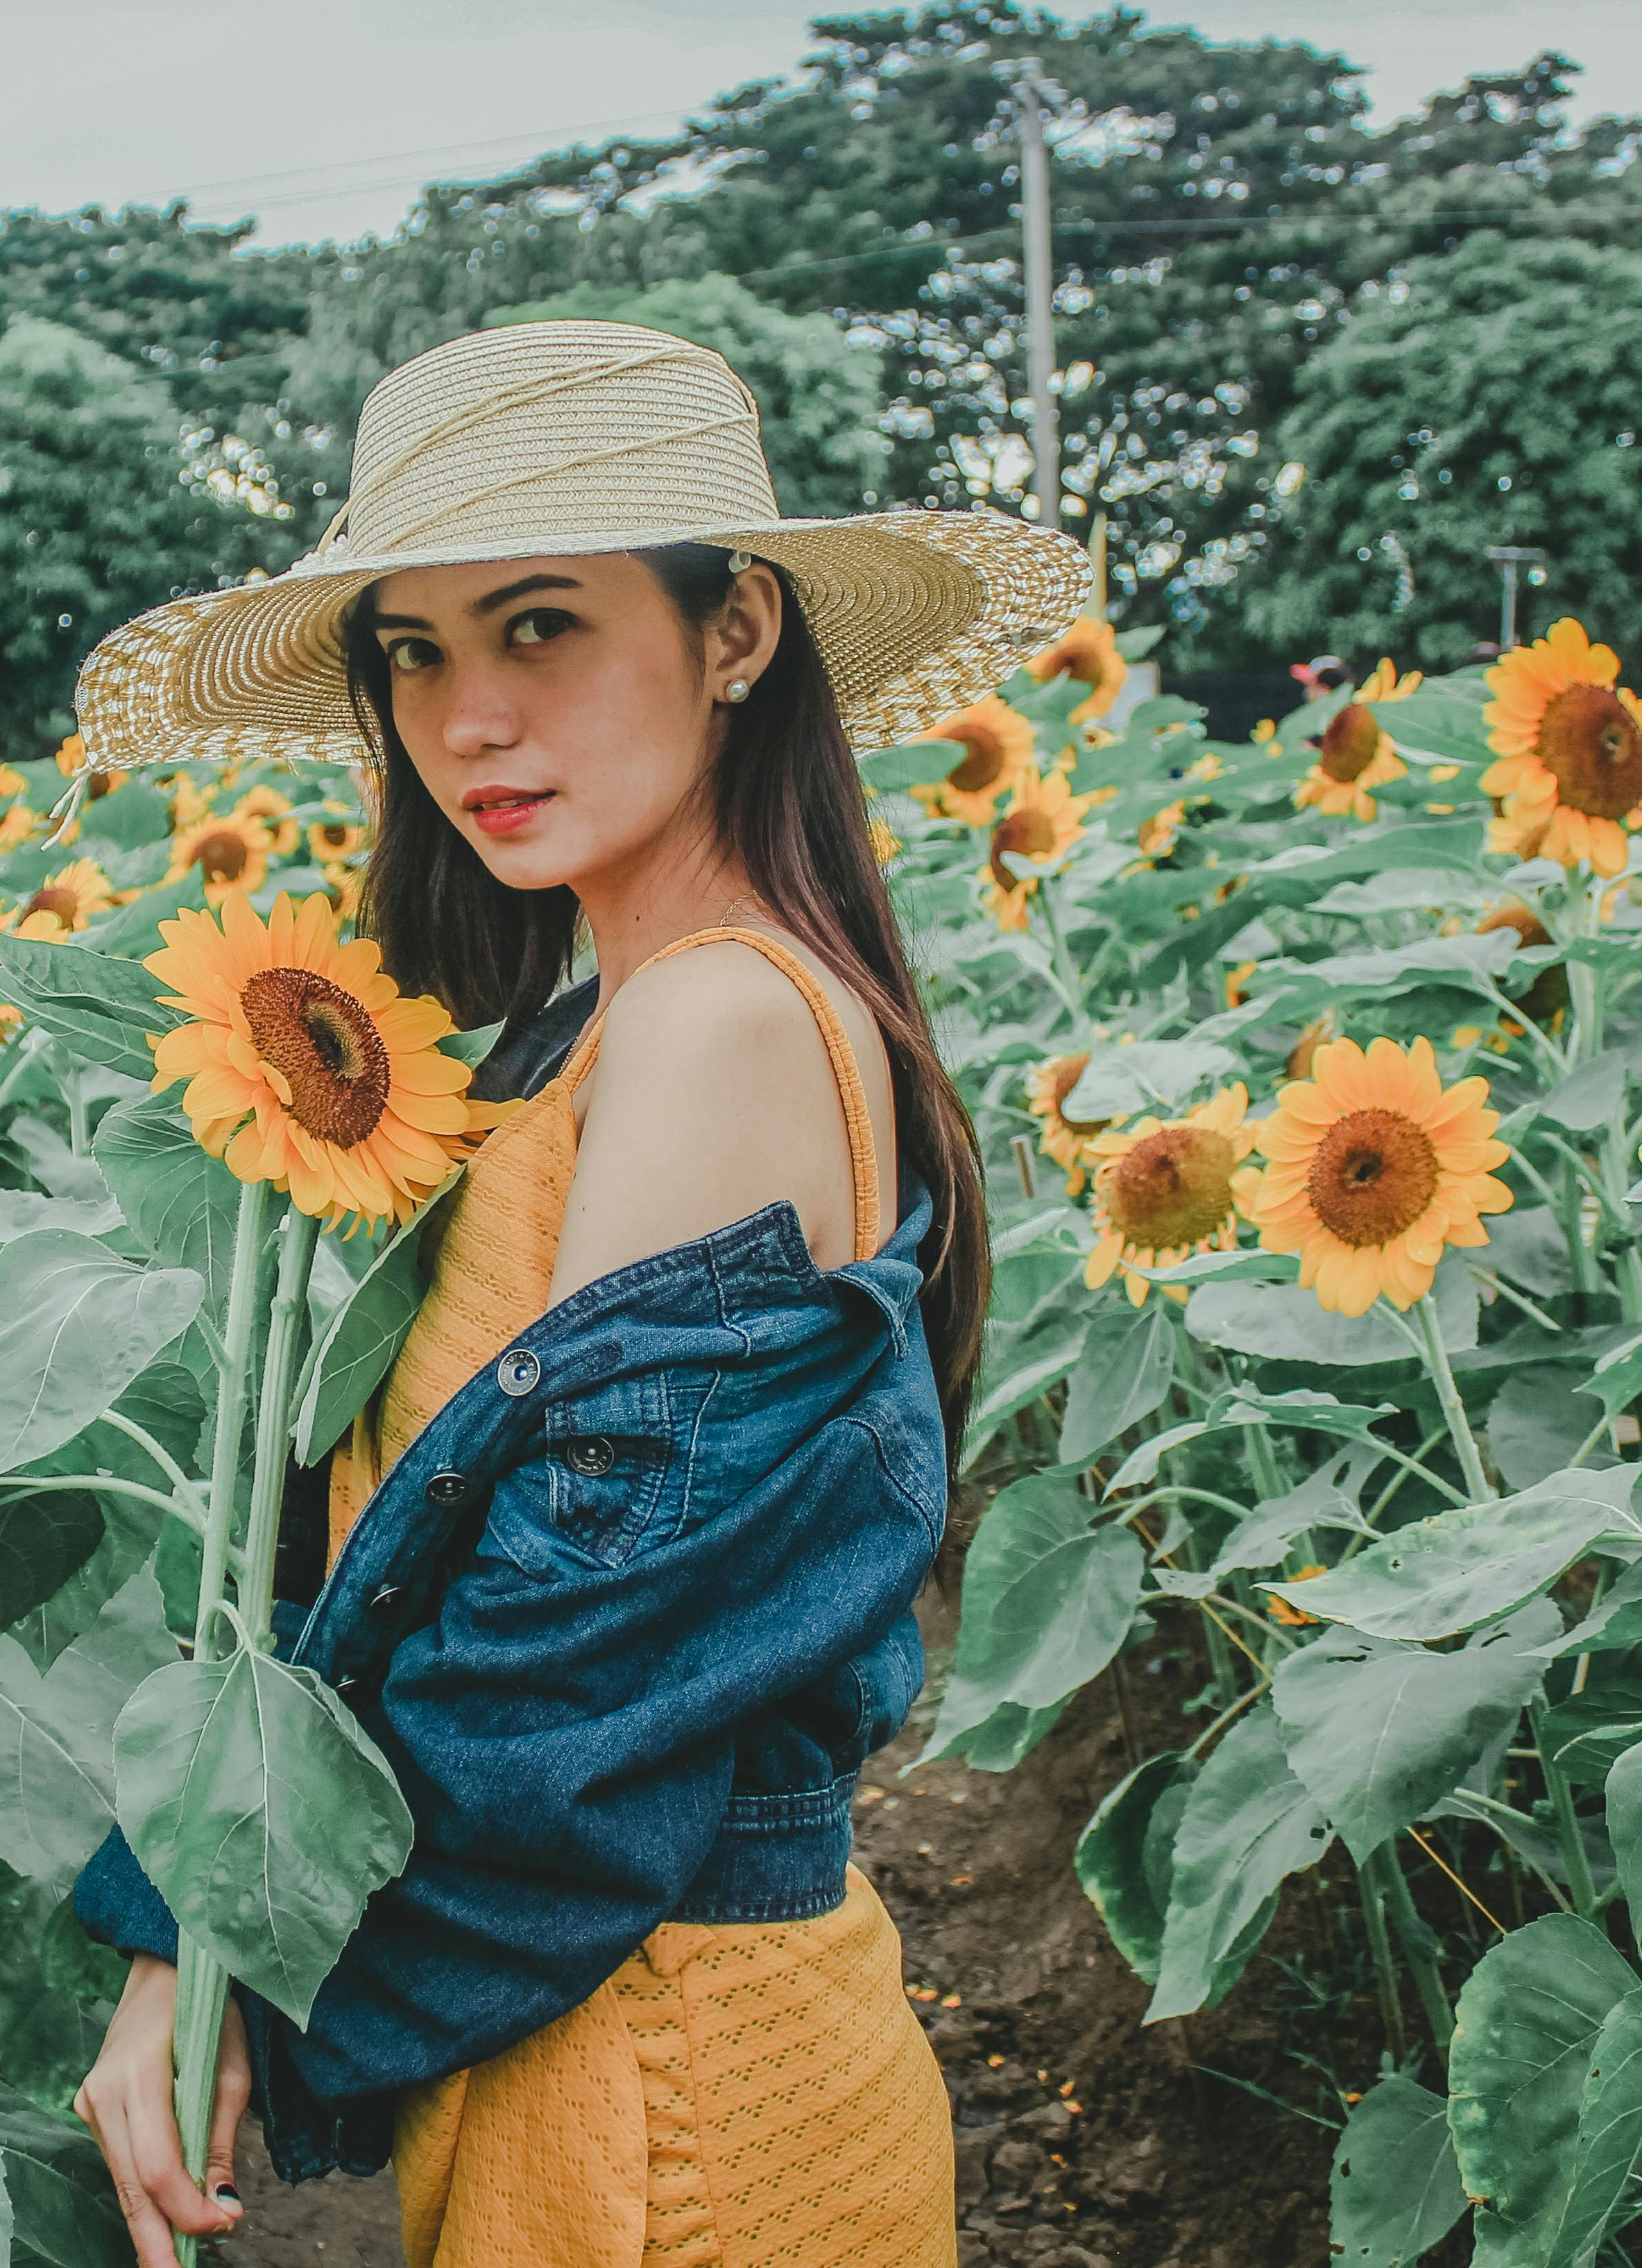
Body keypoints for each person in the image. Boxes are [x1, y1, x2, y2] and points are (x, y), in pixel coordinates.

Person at [62, 319, 1084, 2268]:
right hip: (594, 2057)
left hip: (675, 2100)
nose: (463, 718)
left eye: (537, 624)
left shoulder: (711, 1020)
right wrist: (182, 1917)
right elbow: (383, 1571)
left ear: (735, 632)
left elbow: (566, 1665)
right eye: (411, 652)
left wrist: (233, 1984)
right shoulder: (574, 1035)